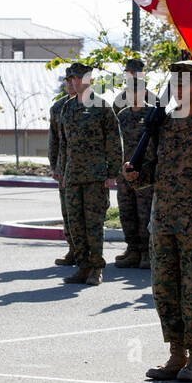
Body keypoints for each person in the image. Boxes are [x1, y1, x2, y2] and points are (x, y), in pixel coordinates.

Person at [124, 62, 192, 382]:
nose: (179, 89)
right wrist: (133, 175)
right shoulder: (163, 123)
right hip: (164, 219)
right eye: (175, 84)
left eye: (186, 84)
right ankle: (176, 352)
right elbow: (151, 172)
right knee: (164, 290)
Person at [57, 61, 123, 286]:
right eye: (72, 78)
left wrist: (113, 173)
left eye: (79, 78)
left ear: (89, 80)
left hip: (96, 176)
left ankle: (96, 269)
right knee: (76, 224)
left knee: (93, 225)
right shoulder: (67, 107)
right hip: (73, 175)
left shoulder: (102, 107)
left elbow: (113, 141)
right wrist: (62, 171)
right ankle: (83, 267)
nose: (75, 82)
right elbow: (64, 144)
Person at [113, 58, 155, 269]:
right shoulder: (122, 113)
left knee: (144, 213)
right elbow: (114, 142)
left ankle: (147, 252)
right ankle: (132, 249)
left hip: (145, 173)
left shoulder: (152, 112)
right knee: (127, 211)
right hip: (125, 172)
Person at [48, 75, 78, 266]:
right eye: (67, 81)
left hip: (87, 169)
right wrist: (54, 165)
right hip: (64, 166)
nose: (70, 84)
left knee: (84, 214)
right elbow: (54, 139)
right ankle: (72, 249)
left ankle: (87, 253)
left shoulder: (95, 106)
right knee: (67, 211)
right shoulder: (58, 108)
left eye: (73, 80)